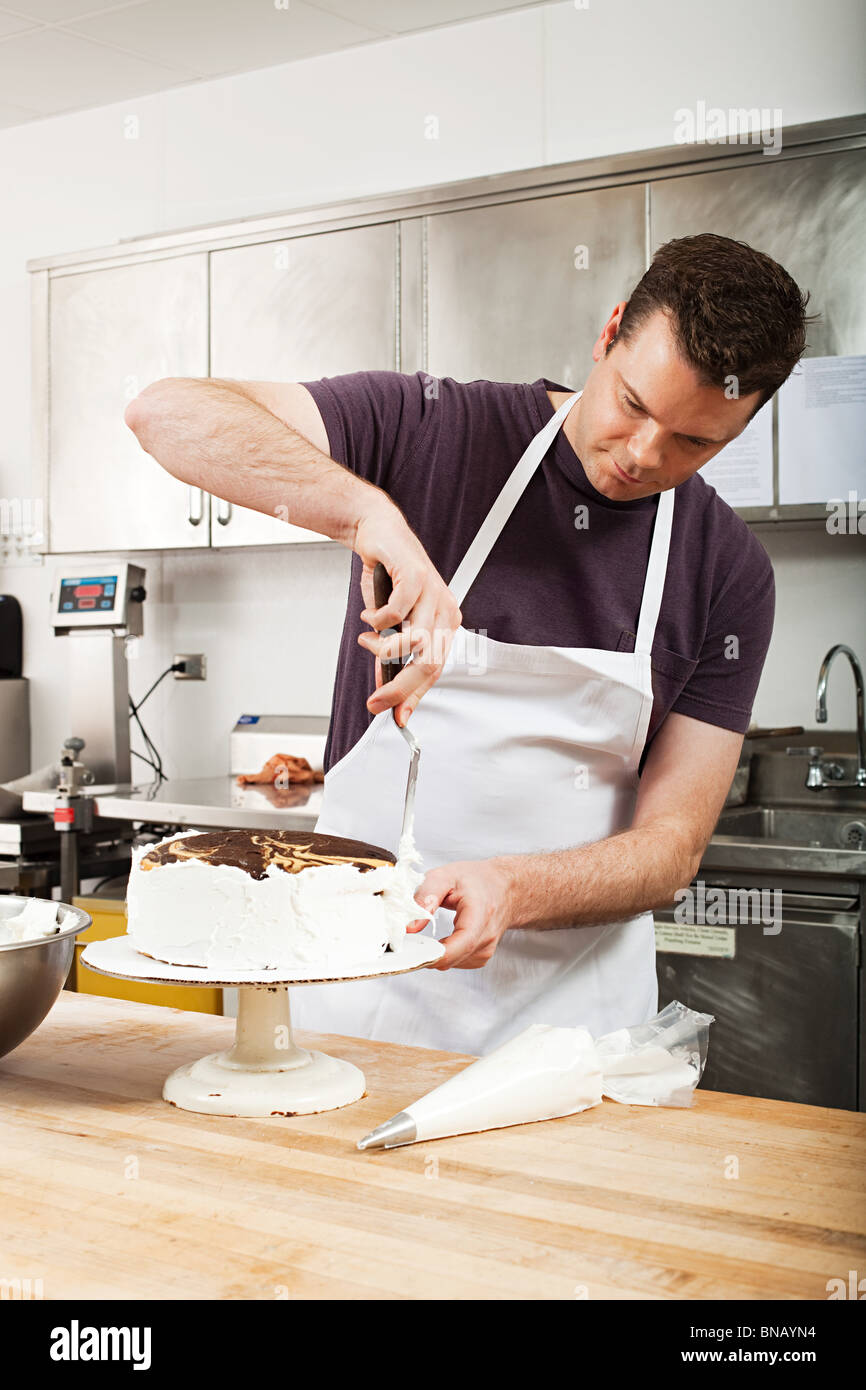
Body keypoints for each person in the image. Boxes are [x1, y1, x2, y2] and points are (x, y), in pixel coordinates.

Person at [125, 232, 810, 1055]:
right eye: (633, 404)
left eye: (694, 443)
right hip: (355, 1001)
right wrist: (369, 515)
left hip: (572, 1040)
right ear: (611, 330)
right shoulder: (435, 430)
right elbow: (165, 413)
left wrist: (513, 888)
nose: (642, 455)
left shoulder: (727, 570)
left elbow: (670, 851)